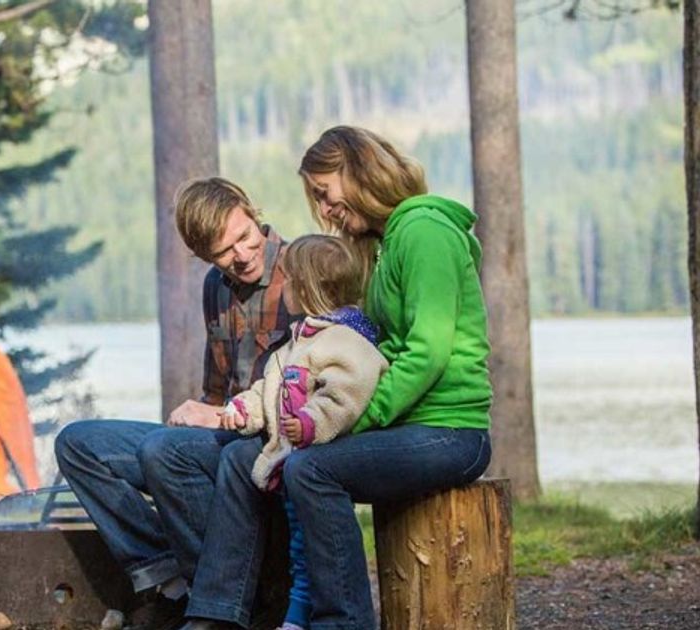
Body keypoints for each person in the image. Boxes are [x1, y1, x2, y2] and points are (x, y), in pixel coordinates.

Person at [179, 126, 492, 630]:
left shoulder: (424, 232)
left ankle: (340, 622)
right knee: (278, 460)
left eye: (325, 193)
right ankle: (266, 609)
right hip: (414, 425)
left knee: (312, 470)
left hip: (450, 431)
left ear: (360, 171)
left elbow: (428, 354)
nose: (325, 210)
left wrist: (354, 419)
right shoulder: (387, 242)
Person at [54, 177, 300, 627]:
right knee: (78, 444)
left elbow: (313, 395)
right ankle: (170, 579)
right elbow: (216, 388)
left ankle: (223, 607)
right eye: (223, 252)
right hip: (222, 437)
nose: (242, 255)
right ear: (203, 254)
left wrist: (218, 417)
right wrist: (197, 417)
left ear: (253, 214)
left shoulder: (302, 270)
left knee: (164, 450)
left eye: (245, 236)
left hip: (271, 443)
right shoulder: (215, 286)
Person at [217, 234, 388, 630]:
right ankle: (297, 619)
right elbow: (271, 387)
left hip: (318, 459)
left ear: (310, 289)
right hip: (290, 464)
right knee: (301, 547)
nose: (284, 288)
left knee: (314, 547)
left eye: (290, 280)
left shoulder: (346, 341)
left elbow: (348, 391)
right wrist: (244, 408)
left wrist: (313, 421)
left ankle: (307, 620)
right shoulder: (299, 342)